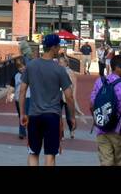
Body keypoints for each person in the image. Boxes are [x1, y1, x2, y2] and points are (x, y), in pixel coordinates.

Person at [19, 33, 82, 167]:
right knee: (50, 154)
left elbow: (22, 91)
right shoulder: (59, 70)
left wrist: (23, 113)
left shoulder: (31, 66)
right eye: (58, 45)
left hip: (34, 115)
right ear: (53, 47)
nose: (59, 48)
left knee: (33, 153)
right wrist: (72, 117)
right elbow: (69, 96)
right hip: (52, 116)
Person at [89, 53, 121, 166]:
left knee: (106, 161)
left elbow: (91, 105)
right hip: (119, 130)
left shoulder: (100, 81)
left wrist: (98, 119)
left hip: (102, 128)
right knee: (119, 162)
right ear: (117, 68)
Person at [13, 56, 29, 139]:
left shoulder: (30, 75)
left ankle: (22, 132)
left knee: (25, 114)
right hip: (18, 98)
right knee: (21, 115)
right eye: (19, 67)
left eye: (23, 66)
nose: (21, 68)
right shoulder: (16, 76)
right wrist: (10, 94)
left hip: (28, 97)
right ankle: (23, 130)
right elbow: (13, 86)